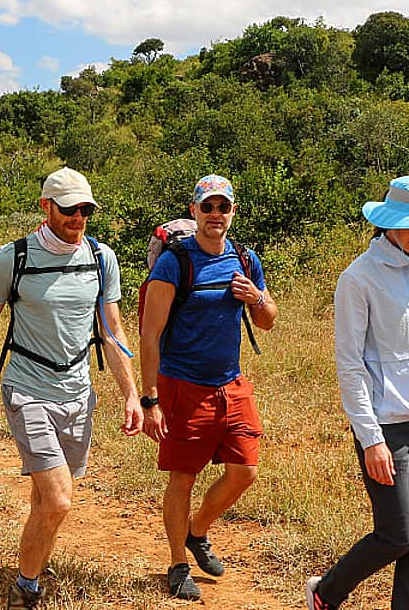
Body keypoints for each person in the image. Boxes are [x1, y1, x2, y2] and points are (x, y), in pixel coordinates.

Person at [0, 166, 142, 609]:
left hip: (78, 392)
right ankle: (25, 586)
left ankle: (33, 555)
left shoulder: (102, 258)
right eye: (69, 209)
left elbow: (112, 328)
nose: (78, 218)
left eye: (85, 210)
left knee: (44, 496)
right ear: (46, 206)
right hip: (27, 388)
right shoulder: (15, 257)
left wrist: (131, 393)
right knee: (60, 499)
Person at [306, 176, 409, 610]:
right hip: (388, 427)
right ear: (387, 222)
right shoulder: (359, 279)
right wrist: (371, 439)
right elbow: (349, 364)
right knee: (398, 535)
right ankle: (325, 593)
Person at [138, 174, 277, 601]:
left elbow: (268, 319)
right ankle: (178, 564)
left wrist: (255, 297)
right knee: (183, 477)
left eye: (223, 207)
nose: (216, 214)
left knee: (245, 471)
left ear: (232, 211)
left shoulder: (244, 257)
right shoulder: (174, 262)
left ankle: (198, 531)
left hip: (230, 384)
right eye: (208, 207)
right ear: (195, 210)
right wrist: (150, 401)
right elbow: (149, 334)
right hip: (183, 385)